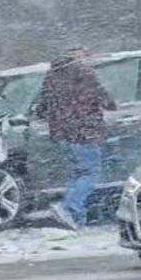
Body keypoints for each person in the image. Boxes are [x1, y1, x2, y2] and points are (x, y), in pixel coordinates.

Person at [38, 47, 117, 230]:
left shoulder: (51, 76)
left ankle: (75, 220)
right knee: (91, 173)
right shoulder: (84, 72)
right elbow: (105, 99)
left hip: (62, 134)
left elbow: (42, 107)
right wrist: (112, 104)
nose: (86, 57)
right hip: (85, 132)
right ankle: (70, 207)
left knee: (76, 174)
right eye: (84, 54)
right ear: (76, 56)